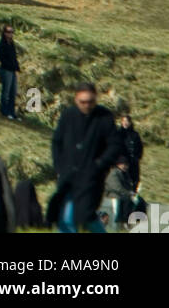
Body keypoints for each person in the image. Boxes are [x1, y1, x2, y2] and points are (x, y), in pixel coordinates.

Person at [47, 81, 121, 233]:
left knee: (84, 217)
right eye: (83, 102)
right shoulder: (68, 115)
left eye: (91, 101)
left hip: (91, 179)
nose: (87, 105)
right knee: (65, 218)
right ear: (76, 99)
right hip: (68, 177)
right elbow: (57, 142)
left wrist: (99, 165)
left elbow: (115, 145)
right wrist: (59, 166)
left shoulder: (104, 117)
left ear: (96, 99)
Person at [0, 25, 20, 120]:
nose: (11, 34)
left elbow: (14, 57)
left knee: (13, 92)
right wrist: (10, 65)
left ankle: (12, 111)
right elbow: (2, 58)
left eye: (12, 32)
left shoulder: (12, 43)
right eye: (9, 32)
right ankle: (4, 111)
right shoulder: (2, 44)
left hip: (13, 70)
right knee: (6, 92)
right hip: (6, 70)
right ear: (5, 33)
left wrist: (16, 67)